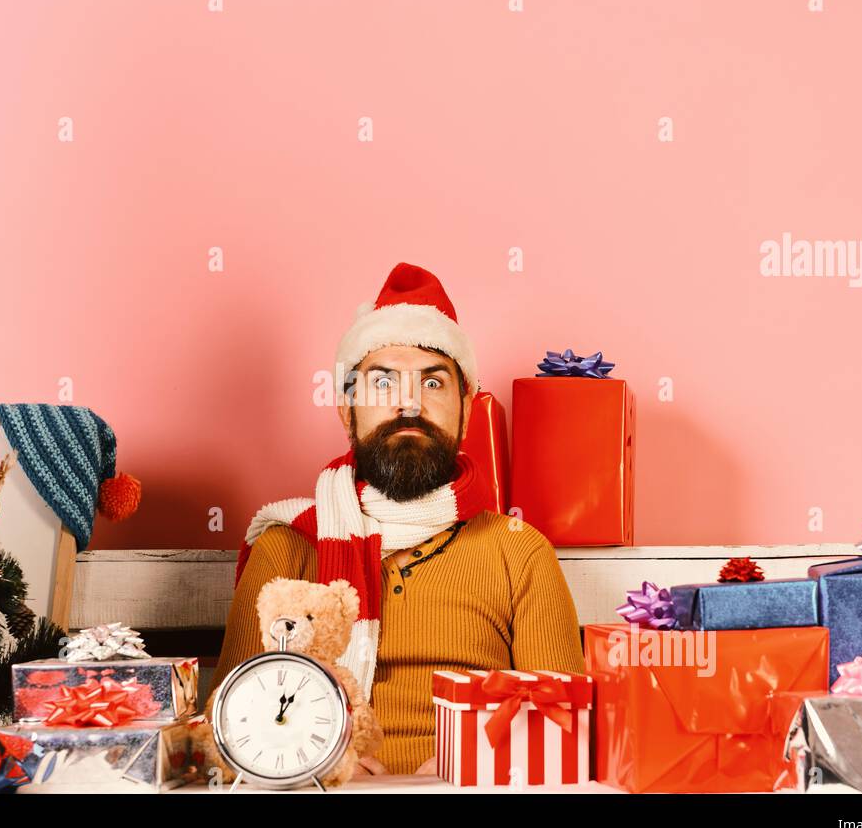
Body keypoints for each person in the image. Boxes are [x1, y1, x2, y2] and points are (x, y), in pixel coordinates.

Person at [208, 262, 586, 777]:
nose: (409, 403)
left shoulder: (519, 552)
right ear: (347, 410)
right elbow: (228, 732)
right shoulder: (286, 549)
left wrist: (472, 764)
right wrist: (324, 765)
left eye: (432, 382)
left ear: (466, 410)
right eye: (383, 381)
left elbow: (566, 728)